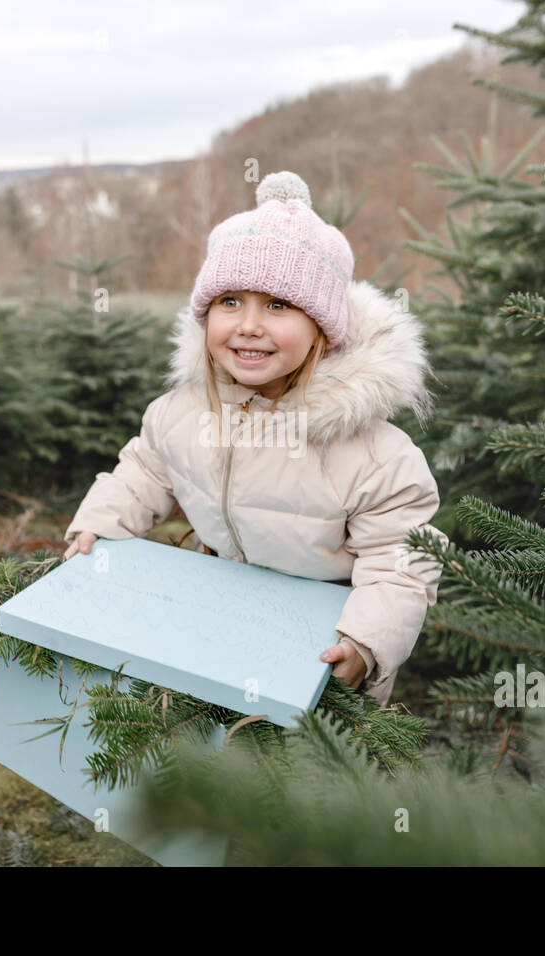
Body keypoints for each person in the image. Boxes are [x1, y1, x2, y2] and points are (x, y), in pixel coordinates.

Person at [61, 170, 449, 707]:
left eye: (278, 305)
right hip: (220, 616)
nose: (248, 325)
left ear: (322, 327)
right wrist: (99, 526)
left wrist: (364, 644)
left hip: (319, 641)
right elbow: (144, 473)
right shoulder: (181, 412)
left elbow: (400, 562)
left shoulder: (375, 454)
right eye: (230, 302)